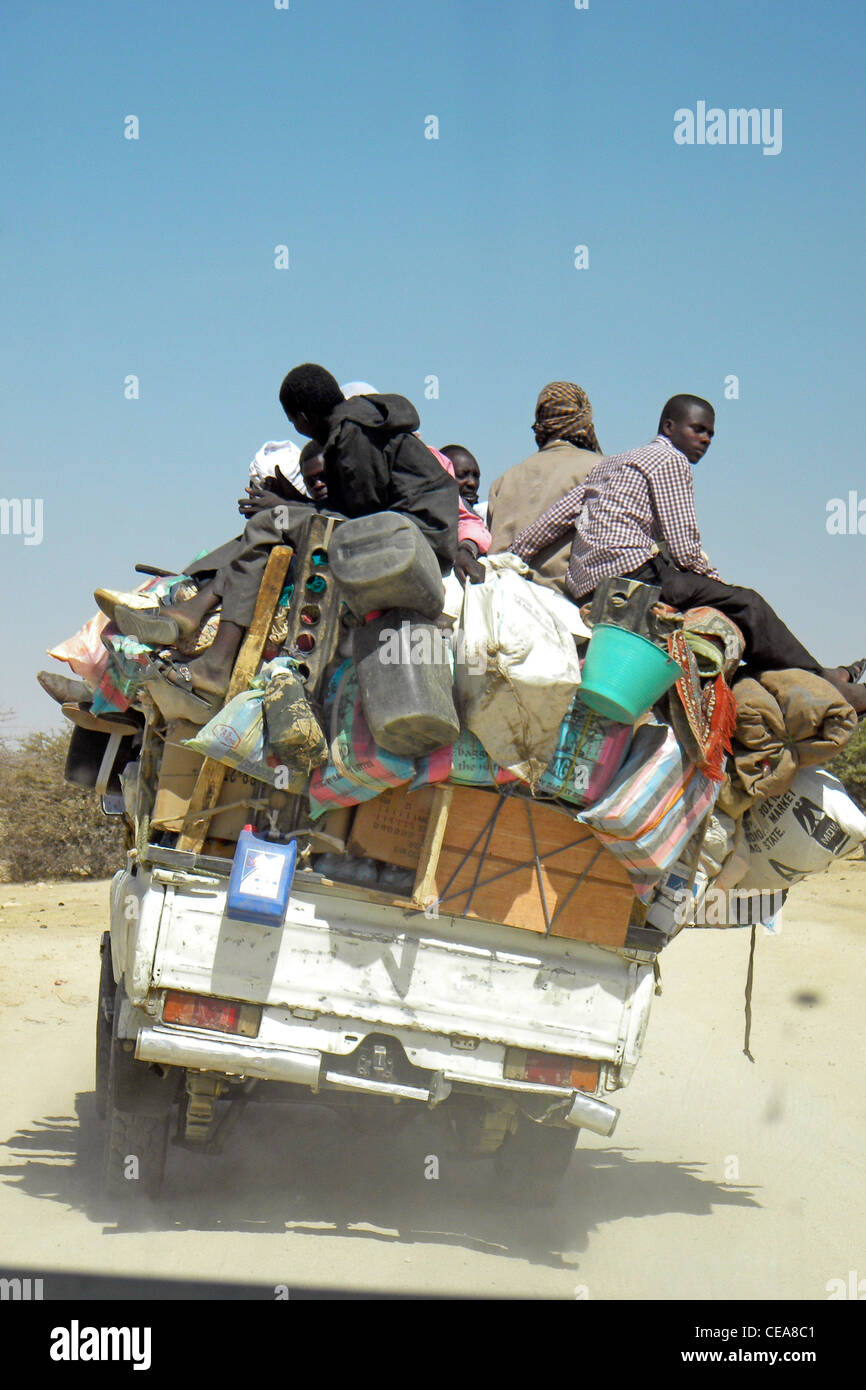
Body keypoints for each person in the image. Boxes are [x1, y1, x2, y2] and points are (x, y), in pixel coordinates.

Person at [110, 365, 459, 705]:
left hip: (409, 541)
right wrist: (295, 504)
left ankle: (215, 658)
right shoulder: (358, 423)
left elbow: (361, 517)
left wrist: (285, 506)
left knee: (267, 524)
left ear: (302, 417)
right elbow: (353, 508)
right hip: (405, 533)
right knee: (273, 523)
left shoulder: (353, 433)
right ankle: (196, 608)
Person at [510, 394, 866, 710]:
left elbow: (552, 522)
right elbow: (684, 549)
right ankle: (827, 684)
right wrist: (719, 587)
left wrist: (509, 559)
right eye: (698, 430)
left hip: (589, 588)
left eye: (710, 433)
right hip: (638, 577)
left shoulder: (609, 464)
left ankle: (819, 676)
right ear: (669, 426)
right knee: (747, 605)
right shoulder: (669, 461)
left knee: (731, 611)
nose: (705, 440)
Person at [486, 381, 603, 592]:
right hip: (566, 608)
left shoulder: (504, 480)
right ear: (584, 421)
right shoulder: (599, 469)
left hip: (501, 601)